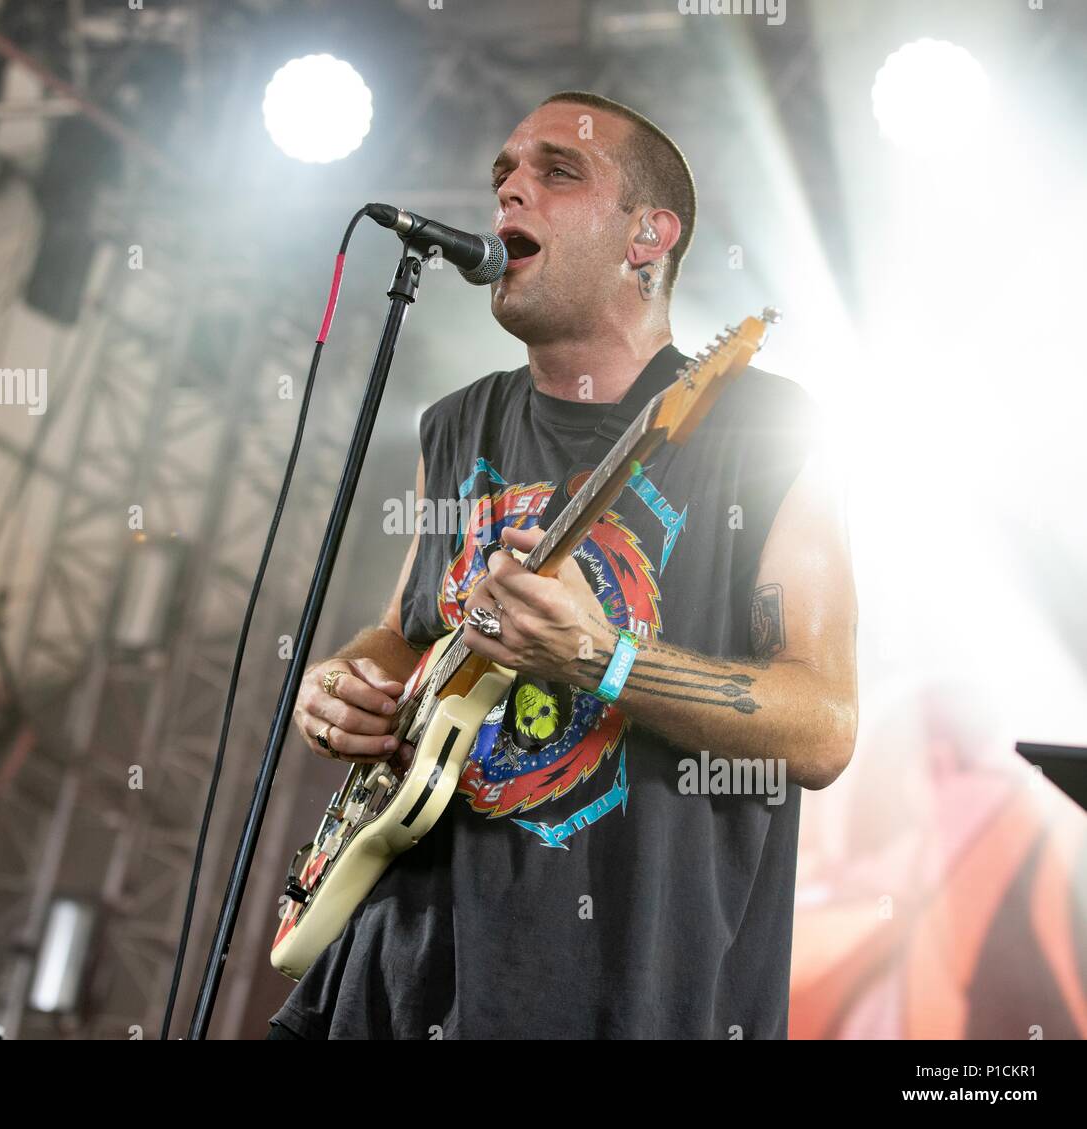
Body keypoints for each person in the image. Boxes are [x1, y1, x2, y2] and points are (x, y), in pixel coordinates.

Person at [268, 90, 858, 1040]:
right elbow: (407, 628)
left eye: (557, 171)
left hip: (620, 992)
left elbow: (825, 723)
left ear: (648, 236)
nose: (510, 191)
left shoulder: (765, 425)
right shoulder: (459, 424)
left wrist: (602, 656)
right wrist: (348, 680)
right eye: (503, 173)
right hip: (392, 971)